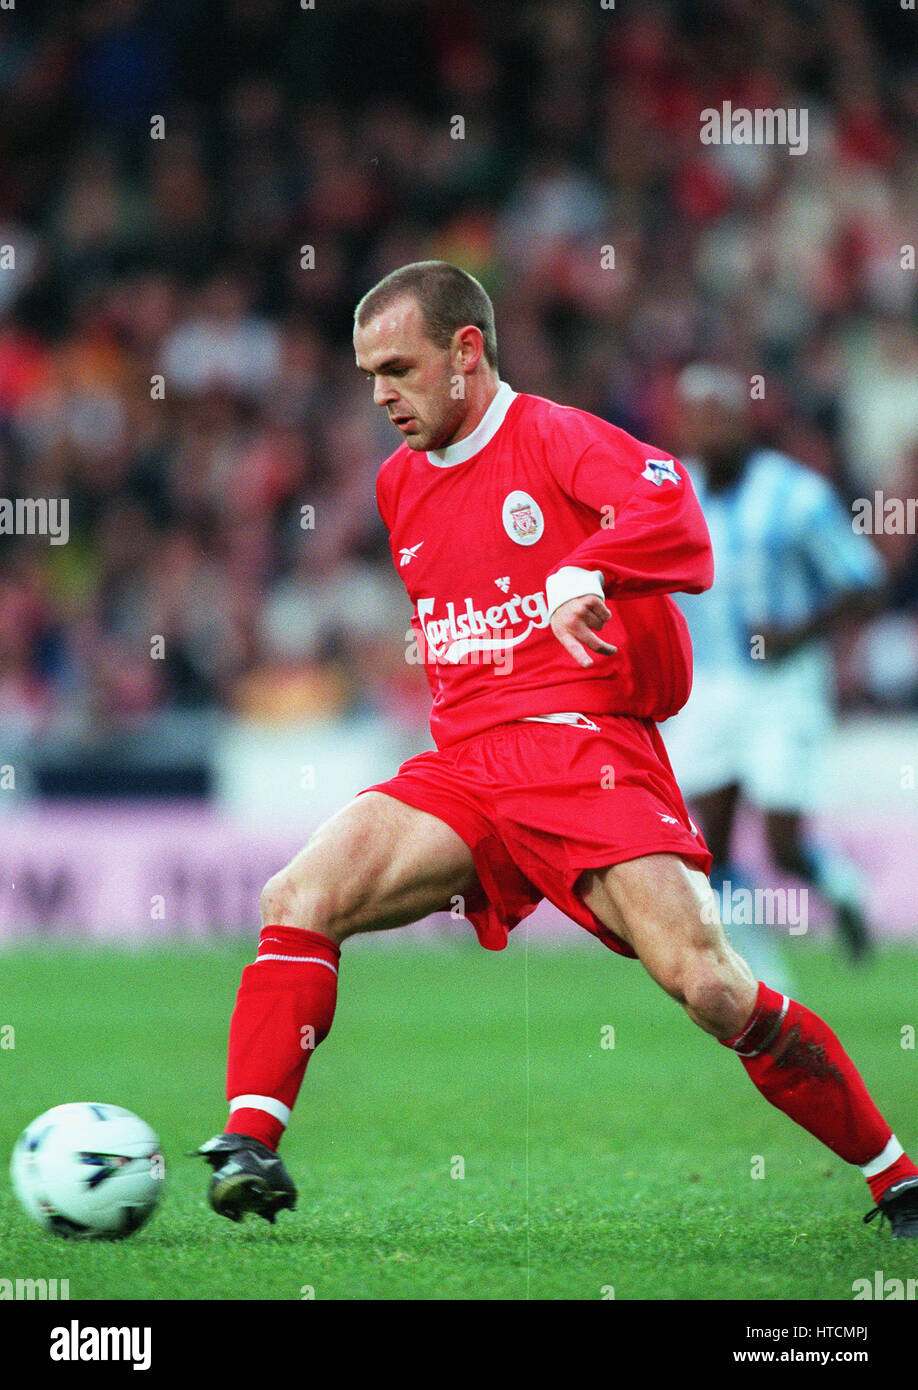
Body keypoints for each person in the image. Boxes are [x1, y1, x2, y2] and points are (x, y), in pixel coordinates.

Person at [194, 262, 917, 1238]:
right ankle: (249, 1144)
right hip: (468, 767)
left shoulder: (558, 435)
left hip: (585, 753)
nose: (380, 395)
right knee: (299, 895)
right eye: (369, 374)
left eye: (398, 368)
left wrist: (590, 566)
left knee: (707, 983)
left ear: (466, 351)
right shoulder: (398, 483)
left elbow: (681, 529)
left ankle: (896, 1176)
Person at [661, 365, 886, 965]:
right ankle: (763, 974)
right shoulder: (674, 494)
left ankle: (841, 888)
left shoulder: (794, 495)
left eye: (717, 415)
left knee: (783, 843)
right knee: (712, 844)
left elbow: (864, 581)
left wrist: (799, 631)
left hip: (782, 685)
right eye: (693, 416)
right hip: (708, 688)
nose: (704, 428)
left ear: (743, 420)